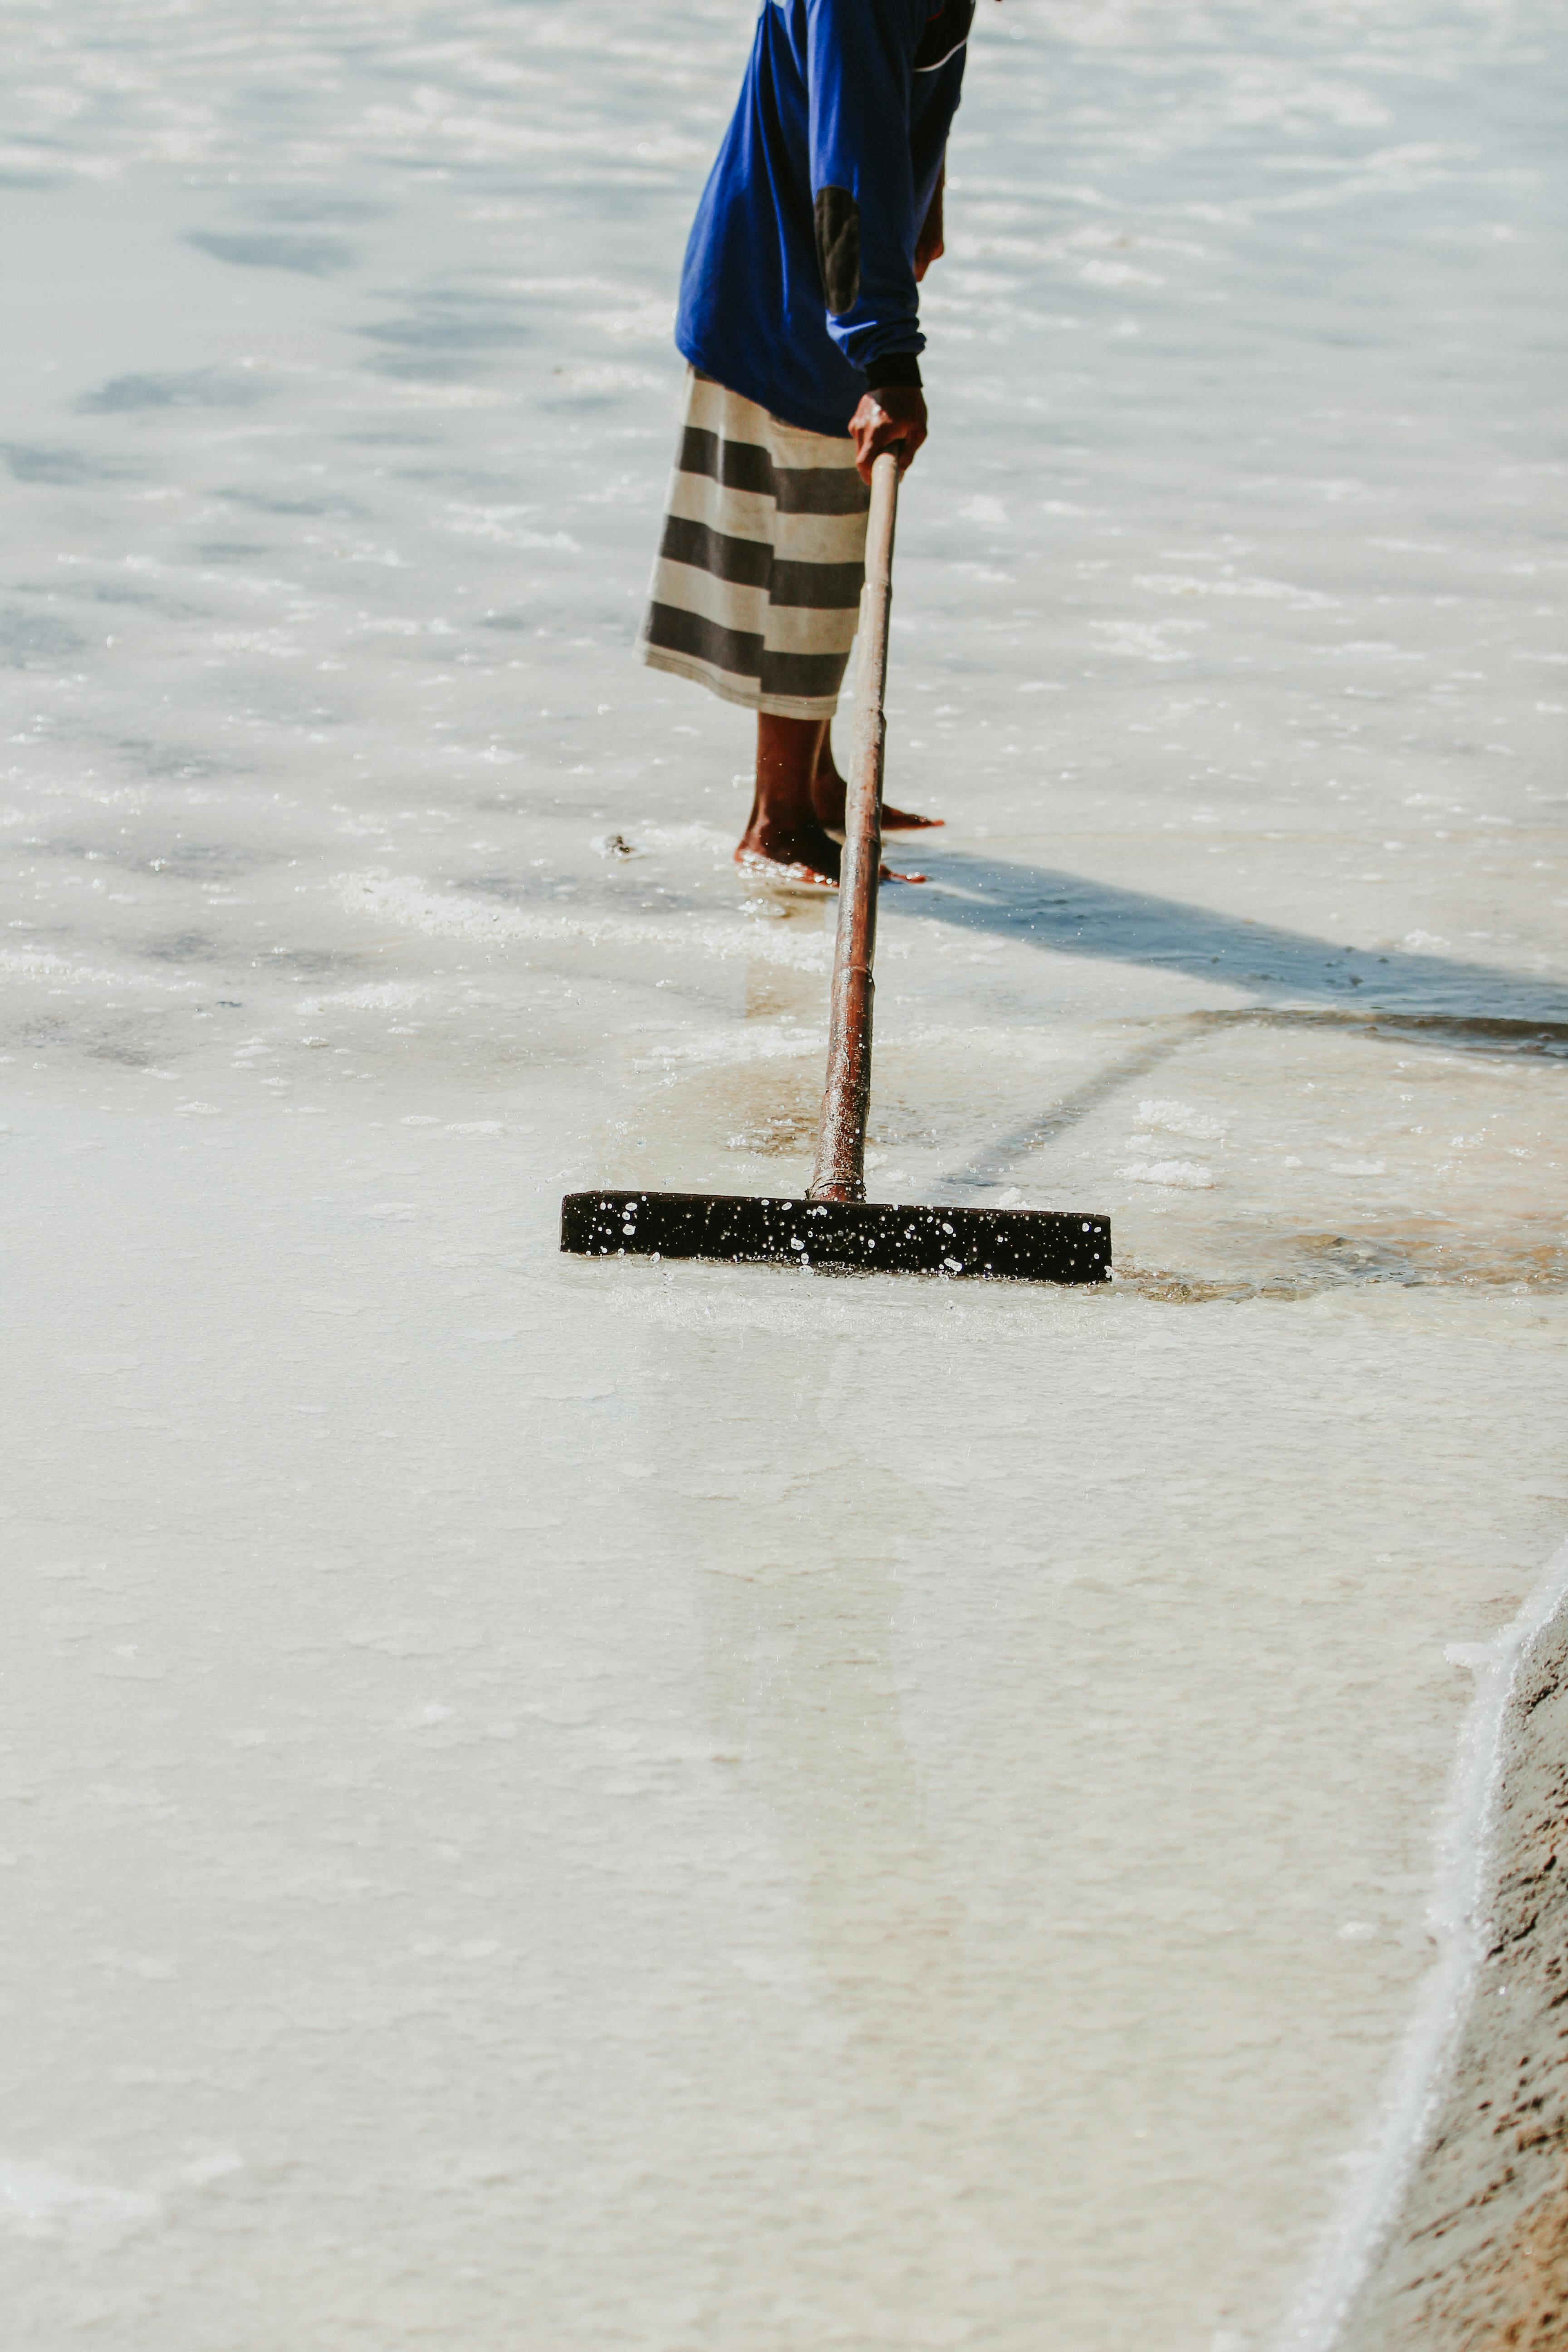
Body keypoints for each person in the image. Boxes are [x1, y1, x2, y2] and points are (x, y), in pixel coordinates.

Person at [637, 0, 982, 889]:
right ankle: (778, 823)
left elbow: (912, 89)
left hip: (835, 264)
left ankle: (822, 787)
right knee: (811, 559)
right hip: (793, 282)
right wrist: (884, 353)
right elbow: (849, 166)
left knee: (827, 553)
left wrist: (929, 193)